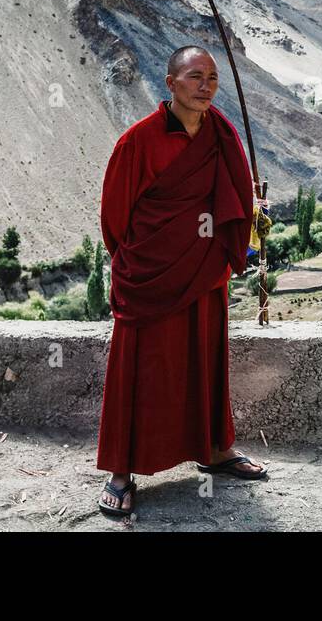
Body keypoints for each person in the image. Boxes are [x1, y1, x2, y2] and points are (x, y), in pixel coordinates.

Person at [96, 45, 266, 517]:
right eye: (195, 76)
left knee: (204, 358)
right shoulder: (138, 141)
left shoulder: (223, 134)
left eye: (212, 77)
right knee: (139, 367)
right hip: (151, 276)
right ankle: (122, 470)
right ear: (170, 84)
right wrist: (144, 263)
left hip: (203, 270)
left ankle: (214, 450)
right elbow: (114, 220)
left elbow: (234, 195)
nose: (206, 85)